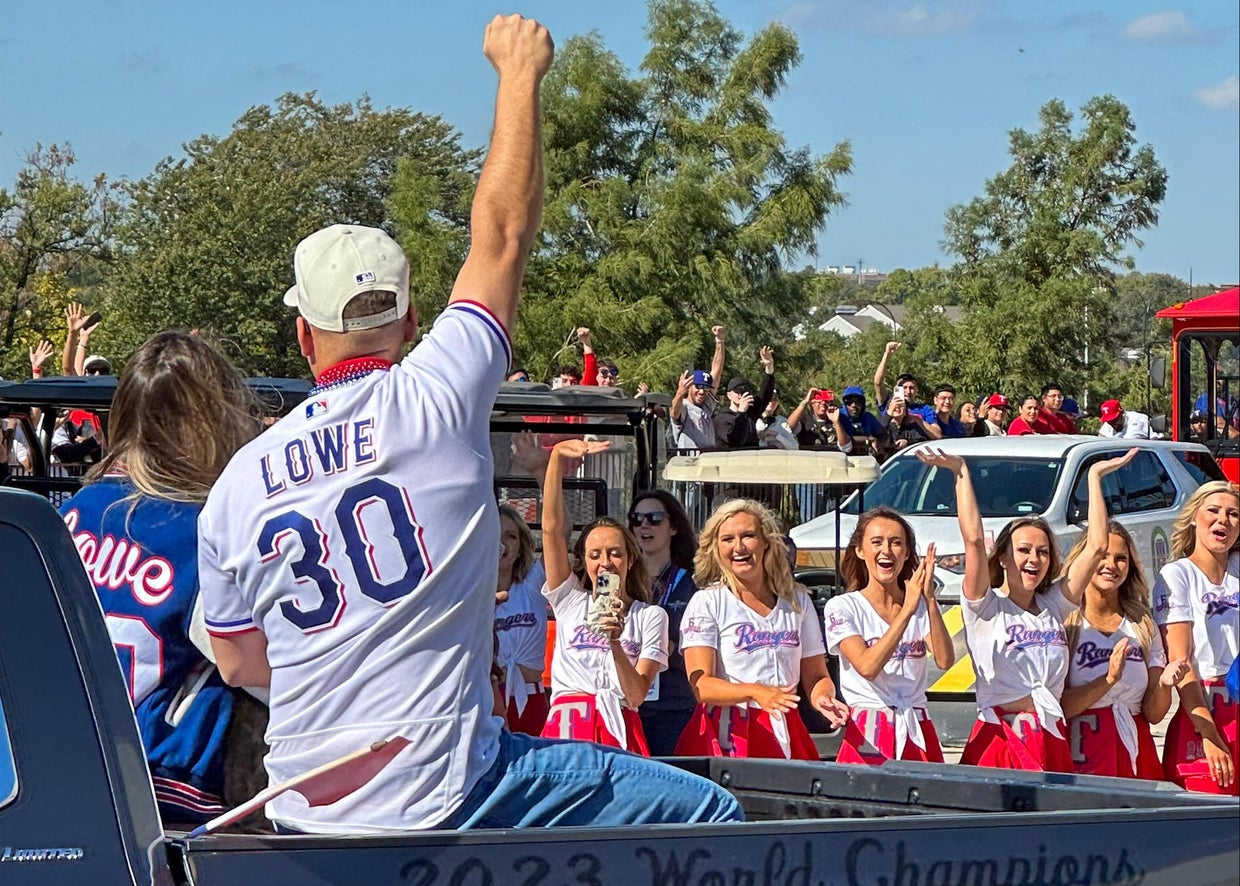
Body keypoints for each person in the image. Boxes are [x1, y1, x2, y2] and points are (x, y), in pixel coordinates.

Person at [198, 16, 740, 833]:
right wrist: (518, 72)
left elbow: (239, 659)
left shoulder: (238, 484)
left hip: (304, 810)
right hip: (450, 788)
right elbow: (503, 232)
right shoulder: (438, 395)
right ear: (414, 318)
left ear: (304, 336)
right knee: (715, 815)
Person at [61, 331, 263, 826]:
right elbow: (253, 669)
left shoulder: (70, 515)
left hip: (62, 762)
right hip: (166, 782)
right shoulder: (206, 528)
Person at [916, 446, 1104, 773]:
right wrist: (960, 472)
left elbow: (1098, 545)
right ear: (1003, 557)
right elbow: (974, 541)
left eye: (1043, 552)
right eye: (1024, 550)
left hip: (1049, 736)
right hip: (1000, 739)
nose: (1034, 559)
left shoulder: (1053, 606)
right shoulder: (985, 607)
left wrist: (1095, 476)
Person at [676, 499, 849, 759]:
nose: (739, 547)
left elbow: (816, 675)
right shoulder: (707, 602)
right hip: (729, 733)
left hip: (787, 727)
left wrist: (823, 698)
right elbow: (702, 686)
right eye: (727, 539)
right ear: (715, 548)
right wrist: (756, 691)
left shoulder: (797, 600)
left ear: (766, 541)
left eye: (748, 536)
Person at [539, 439, 668, 754]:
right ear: (585, 562)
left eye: (615, 553)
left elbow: (637, 695)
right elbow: (552, 531)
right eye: (595, 555)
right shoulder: (570, 600)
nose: (606, 562)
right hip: (568, 724)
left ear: (630, 559)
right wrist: (555, 460)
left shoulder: (650, 617)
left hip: (619, 723)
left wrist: (614, 642)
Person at [1059, 492, 1188, 780]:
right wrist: (1107, 681)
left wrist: (1165, 684)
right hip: (1081, 756)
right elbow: (1061, 708)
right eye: (1102, 556)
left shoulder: (1142, 623)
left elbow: (1154, 714)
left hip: (1136, 750)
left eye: (1120, 558)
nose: (1111, 565)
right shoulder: (1066, 621)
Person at [823, 508, 954, 764]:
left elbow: (945, 660)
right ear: (860, 551)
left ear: (906, 554)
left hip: (916, 722)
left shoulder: (919, 604)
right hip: (870, 727)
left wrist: (928, 600)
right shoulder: (843, 606)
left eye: (896, 543)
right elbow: (867, 666)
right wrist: (906, 612)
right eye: (876, 542)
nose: (887, 551)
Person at [1153, 480, 1239, 794]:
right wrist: (1208, 733)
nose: (1223, 520)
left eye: (1233, 514)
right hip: (1204, 707)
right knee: (1209, 827)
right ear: (1193, 517)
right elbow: (1182, 660)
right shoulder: (1177, 574)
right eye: (1213, 511)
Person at [629, 490, 700, 755]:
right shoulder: (620, 582)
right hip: (627, 704)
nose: (644, 525)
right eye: (636, 519)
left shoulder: (693, 583)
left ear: (673, 528)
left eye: (655, 518)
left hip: (674, 703)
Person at [494, 504, 549, 735]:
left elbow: (557, 534)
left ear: (520, 546)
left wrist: (543, 477)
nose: (503, 543)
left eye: (511, 536)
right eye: (496, 535)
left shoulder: (532, 586)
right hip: (490, 700)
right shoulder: (470, 593)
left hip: (532, 698)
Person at [669, 325, 727, 454]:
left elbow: (717, 370)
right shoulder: (684, 406)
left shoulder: (706, 406)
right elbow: (674, 412)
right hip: (690, 465)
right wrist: (679, 393)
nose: (702, 392)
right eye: (699, 387)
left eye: (706, 388)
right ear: (690, 386)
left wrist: (720, 341)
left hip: (708, 463)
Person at [714, 347, 776, 449]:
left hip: (752, 459)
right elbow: (734, 440)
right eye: (737, 391)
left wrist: (769, 368)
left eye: (744, 392)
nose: (740, 395)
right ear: (729, 395)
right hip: (730, 461)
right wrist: (741, 412)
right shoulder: (722, 418)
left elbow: (765, 395)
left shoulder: (750, 413)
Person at [873, 342, 935, 423]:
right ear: (897, 389)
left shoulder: (924, 409)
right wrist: (887, 354)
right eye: (904, 388)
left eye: (911, 388)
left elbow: (936, 432)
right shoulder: (887, 403)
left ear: (917, 390)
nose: (908, 391)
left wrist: (917, 420)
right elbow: (878, 383)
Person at [786, 388, 853, 451]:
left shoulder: (837, 419)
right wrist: (806, 401)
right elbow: (788, 428)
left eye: (826, 400)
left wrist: (836, 422)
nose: (823, 403)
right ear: (812, 403)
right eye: (819, 399)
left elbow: (846, 448)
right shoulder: (804, 420)